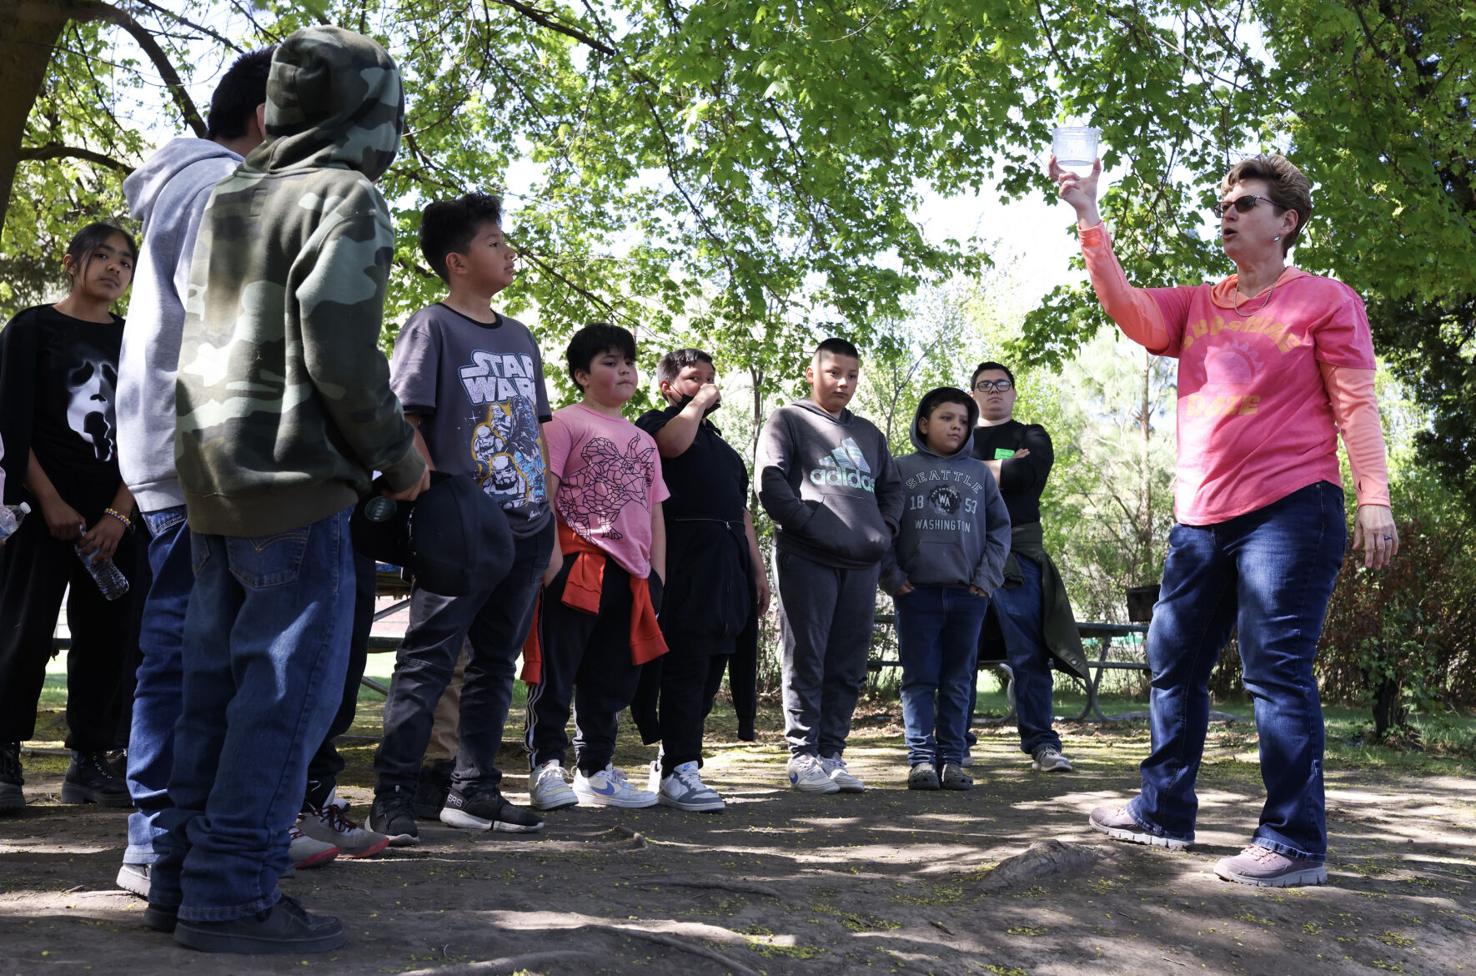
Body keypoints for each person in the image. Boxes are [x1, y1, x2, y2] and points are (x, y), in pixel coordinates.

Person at [148, 27, 428, 953]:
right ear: (367, 109)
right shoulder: (346, 198)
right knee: (283, 700)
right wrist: (400, 456)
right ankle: (232, 897)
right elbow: (342, 360)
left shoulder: (235, 192)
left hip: (212, 480)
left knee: (212, 694)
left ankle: (180, 885)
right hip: (298, 485)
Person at [1055, 152, 1397, 888]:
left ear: (1287, 222)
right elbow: (1130, 310)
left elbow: (1356, 403)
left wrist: (1375, 494)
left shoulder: (1326, 300)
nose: (1229, 212)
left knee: (1275, 671)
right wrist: (1088, 215)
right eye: (1225, 204)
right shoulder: (1199, 303)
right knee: (1172, 661)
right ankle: (1163, 811)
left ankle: (1295, 843)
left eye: (1246, 203)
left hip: (1291, 510)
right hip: (1199, 520)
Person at [113, 44, 352, 898]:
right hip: (212, 452)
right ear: (266, 120)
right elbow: (240, 320)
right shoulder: (224, 186)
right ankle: (187, 847)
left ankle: (174, 841)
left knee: (183, 653)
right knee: (221, 661)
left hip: (170, 448)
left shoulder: (183, 182)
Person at [366, 192, 551, 845]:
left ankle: (474, 792)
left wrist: (548, 520)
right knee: (427, 659)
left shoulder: (522, 337)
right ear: (457, 260)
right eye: (495, 243)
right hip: (463, 525)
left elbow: (537, 432)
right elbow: (403, 423)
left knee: (496, 663)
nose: (508, 252)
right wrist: (432, 501)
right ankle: (390, 796)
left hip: (529, 528)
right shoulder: (432, 328)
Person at [0, 222, 139, 814]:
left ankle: (91, 758)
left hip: (117, 514)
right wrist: (49, 502)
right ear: (72, 260)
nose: (114, 268)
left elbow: (148, 433)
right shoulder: (32, 329)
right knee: (20, 630)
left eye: (126, 261)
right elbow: (10, 423)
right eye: (102, 255)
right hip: (39, 507)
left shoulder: (137, 341)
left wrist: (117, 514)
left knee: (111, 638)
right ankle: (3, 754)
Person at [523, 323, 669, 811]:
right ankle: (546, 766)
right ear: (582, 375)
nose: (623, 369)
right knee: (556, 670)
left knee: (612, 677)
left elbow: (653, 512)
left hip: (632, 576)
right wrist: (550, 555)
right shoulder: (562, 423)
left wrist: (657, 574)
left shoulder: (644, 442)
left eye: (628, 361)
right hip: (576, 565)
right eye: (609, 362)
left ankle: (596, 770)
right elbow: (545, 487)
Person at [756, 337, 902, 794]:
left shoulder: (869, 435)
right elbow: (770, 481)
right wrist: (808, 524)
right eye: (834, 372)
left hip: (861, 563)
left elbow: (891, 489)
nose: (844, 382)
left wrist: (883, 532)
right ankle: (802, 756)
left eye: (852, 375)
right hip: (808, 557)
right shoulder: (788, 420)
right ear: (812, 373)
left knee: (849, 662)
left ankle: (831, 753)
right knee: (807, 656)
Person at [629, 348, 769, 812]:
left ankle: (676, 758)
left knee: (712, 669)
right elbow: (671, 447)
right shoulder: (654, 425)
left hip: (728, 570)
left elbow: (741, 511)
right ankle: (681, 767)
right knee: (684, 666)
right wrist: (694, 404)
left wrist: (757, 569)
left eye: (711, 377)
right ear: (668, 387)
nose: (707, 385)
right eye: (693, 378)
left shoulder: (725, 451)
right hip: (683, 565)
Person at [881, 387, 1010, 791]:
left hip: (967, 595)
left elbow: (999, 531)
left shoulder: (979, 474)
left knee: (959, 680)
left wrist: (985, 580)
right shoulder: (900, 469)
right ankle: (920, 760)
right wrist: (892, 575)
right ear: (924, 423)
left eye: (962, 421)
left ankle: (953, 759)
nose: (956, 426)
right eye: (946, 418)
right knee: (919, 679)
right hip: (915, 593)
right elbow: (883, 527)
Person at [969, 361, 1088, 772]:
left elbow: (1026, 473)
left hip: (1018, 557)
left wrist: (969, 470)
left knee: (1029, 654)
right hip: (963, 556)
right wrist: (1000, 470)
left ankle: (1042, 743)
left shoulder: (1031, 435)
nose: (995, 391)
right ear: (973, 395)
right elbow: (942, 477)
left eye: (1002, 384)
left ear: (1014, 392)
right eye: (985, 385)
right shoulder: (957, 435)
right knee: (961, 652)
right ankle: (953, 742)